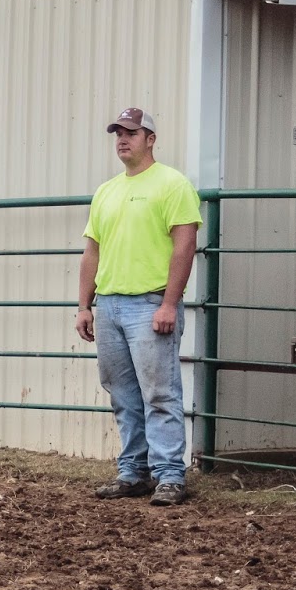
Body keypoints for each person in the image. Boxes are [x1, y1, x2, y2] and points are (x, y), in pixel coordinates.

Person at [76, 108, 201, 507]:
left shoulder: (173, 184)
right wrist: (85, 305)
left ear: (151, 138)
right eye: (118, 133)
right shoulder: (106, 191)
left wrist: (169, 302)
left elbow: (185, 245)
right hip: (110, 304)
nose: (122, 139)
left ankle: (168, 475)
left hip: (150, 302)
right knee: (123, 393)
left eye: (131, 132)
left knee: (159, 391)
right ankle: (133, 471)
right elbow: (91, 251)